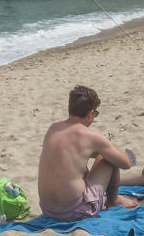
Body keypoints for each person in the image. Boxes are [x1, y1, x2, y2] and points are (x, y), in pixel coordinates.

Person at [36, 85, 137, 220]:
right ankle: (113, 201)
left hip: (48, 210)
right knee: (107, 158)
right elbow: (125, 164)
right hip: (75, 211)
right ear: (90, 114)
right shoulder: (89, 136)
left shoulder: (53, 129)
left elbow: (74, 154)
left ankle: (104, 198)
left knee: (77, 163)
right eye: (95, 114)